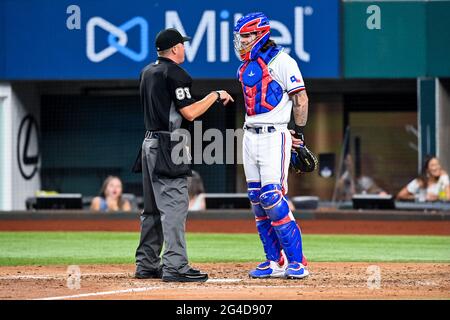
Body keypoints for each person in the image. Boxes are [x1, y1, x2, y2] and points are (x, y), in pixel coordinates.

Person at [134, 28, 234, 282]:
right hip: (170, 143)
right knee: (175, 207)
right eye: (183, 45)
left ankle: (146, 263)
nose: (185, 49)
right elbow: (189, 112)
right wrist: (214, 95)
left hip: (148, 142)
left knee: (152, 208)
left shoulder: (148, 71)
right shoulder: (176, 73)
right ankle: (176, 265)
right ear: (176, 48)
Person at [234, 12, 309, 279]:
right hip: (249, 134)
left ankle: (297, 261)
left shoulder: (283, 61)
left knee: (271, 197)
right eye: (240, 36)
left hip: (273, 136)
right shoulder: (246, 66)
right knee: (256, 199)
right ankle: (273, 260)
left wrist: (298, 135)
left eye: (245, 36)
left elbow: (300, 98)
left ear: (259, 34)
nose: (241, 42)